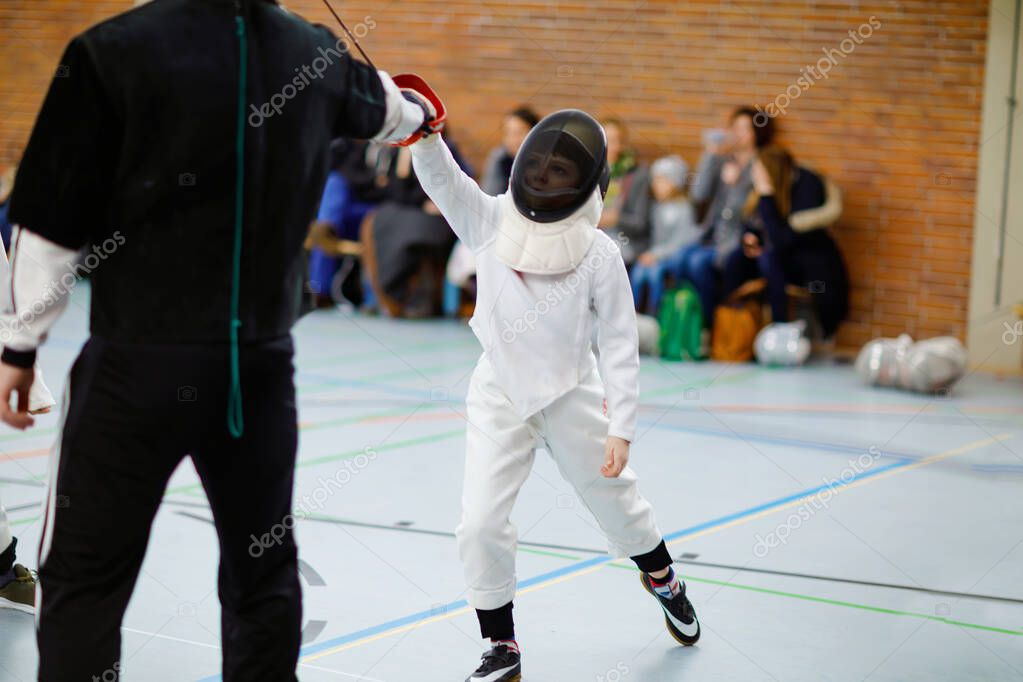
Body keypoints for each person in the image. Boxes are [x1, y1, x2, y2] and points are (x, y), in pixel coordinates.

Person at [0, 0, 436, 679]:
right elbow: (395, 111)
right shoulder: (312, 53)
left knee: (83, 582)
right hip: (259, 372)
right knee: (262, 577)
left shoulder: (108, 49)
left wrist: (18, 347)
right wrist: (421, 113)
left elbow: (50, 221)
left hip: (134, 368)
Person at [410, 106, 701, 682]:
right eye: (541, 167)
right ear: (525, 168)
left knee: (620, 509)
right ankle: (502, 647)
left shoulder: (599, 253)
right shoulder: (490, 220)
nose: (547, 176)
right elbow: (443, 179)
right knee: (479, 524)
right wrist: (425, 133)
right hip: (499, 393)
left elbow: (620, 344)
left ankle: (665, 579)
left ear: (585, 182)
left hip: (573, 395)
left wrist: (621, 426)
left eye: (561, 170)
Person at [723, 146, 849, 337]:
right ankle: (730, 325)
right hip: (770, 253)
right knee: (734, 259)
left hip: (803, 259)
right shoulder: (759, 189)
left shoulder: (804, 187)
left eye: (758, 171)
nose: (754, 175)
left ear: (771, 172)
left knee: (769, 260)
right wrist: (749, 240)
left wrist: (766, 196)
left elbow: (780, 239)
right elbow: (750, 224)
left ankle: (778, 329)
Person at [676, 106, 774, 324]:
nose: (738, 133)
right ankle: (686, 326)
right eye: (735, 127)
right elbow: (697, 193)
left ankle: (710, 325)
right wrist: (711, 153)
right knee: (679, 259)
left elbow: (757, 214)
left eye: (745, 128)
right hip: (710, 237)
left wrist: (738, 185)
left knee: (697, 264)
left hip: (737, 241)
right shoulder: (723, 161)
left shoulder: (762, 165)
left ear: (758, 133)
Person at [629, 155, 700, 315]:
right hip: (652, 255)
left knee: (655, 275)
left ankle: (655, 314)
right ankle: (633, 313)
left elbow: (681, 241)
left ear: (675, 183)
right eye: (655, 181)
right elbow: (652, 236)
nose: (656, 186)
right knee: (638, 273)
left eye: (662, 181)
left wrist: (656, 255)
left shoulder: (684, 209)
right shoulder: (656, 207)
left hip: (670, 258)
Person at [598, 117, 651, 266]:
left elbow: (640, 223)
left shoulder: (637, 175)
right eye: (607, 140)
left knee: (602, 257)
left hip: (624, 238)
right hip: (592, 234)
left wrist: (616, 219)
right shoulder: (591, 171)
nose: (613, 147)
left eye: (617, 141)